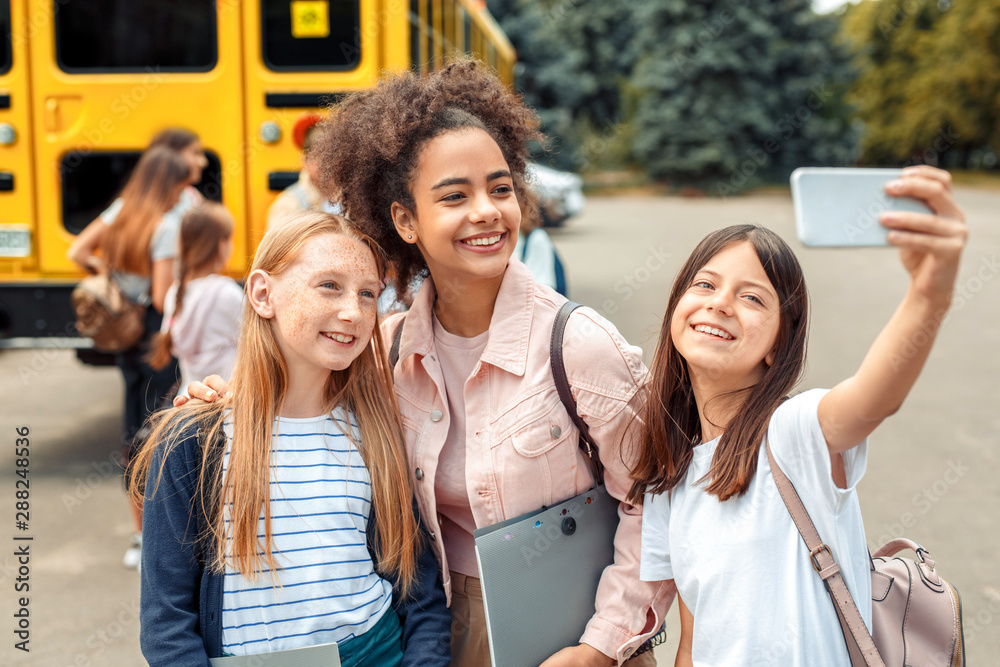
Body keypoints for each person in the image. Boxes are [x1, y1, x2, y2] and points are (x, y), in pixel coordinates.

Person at [184, 59, 672, 666]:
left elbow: (654, 505)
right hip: (446, 627)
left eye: (500, 188)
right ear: (405, 220)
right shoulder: (382, 351)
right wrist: (225, 397)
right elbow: (299, 399)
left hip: (575, 629)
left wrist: (600, 646)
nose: (488, 211)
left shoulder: (578, 345)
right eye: (455, 196)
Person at [629, 166, 966, 665]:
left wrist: (928, 293)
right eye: (704, 284)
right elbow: (692, 636)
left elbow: (876, 397)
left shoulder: (791, 435)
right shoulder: (669, 477)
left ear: (777, 346)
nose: (720, 304)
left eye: (752, 298)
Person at [130, 211, 450, 666]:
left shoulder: (378, 431)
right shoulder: (195, 438)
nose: (353, 312)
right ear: (263, 294)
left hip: (375, 650)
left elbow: (419, 591)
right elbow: (166, 622)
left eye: (367, 294)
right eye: (329, 286)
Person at [68, 146, 191, 570]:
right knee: (161, 431)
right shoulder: (166, 225)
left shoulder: (120, 209)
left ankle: (139, 535)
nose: (187, 189)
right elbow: (161, 296)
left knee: (131, 430)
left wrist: (109, 277)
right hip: (153, 334)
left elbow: (77, 251)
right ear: (166, 183)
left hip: (124, 332)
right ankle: (163, 535)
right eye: (182, 182)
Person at [68, 127, 208, 272]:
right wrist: (114, 282)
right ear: (169, 156)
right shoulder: (130, 206)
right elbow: (78, 251)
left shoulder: (193, 198)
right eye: (195, 153)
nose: (203, 162)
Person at [146, 202, 242, 398]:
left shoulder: (175, 293)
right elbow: (260, 342)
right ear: (221, 245)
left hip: (190, 397)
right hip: (226, 397)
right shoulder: (226, 293)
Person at [266, 118, 338, 228]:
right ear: (306, 161)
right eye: (321, 161)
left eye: (333, 159)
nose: (328, 167)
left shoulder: (353, 198)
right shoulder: (288, 204)